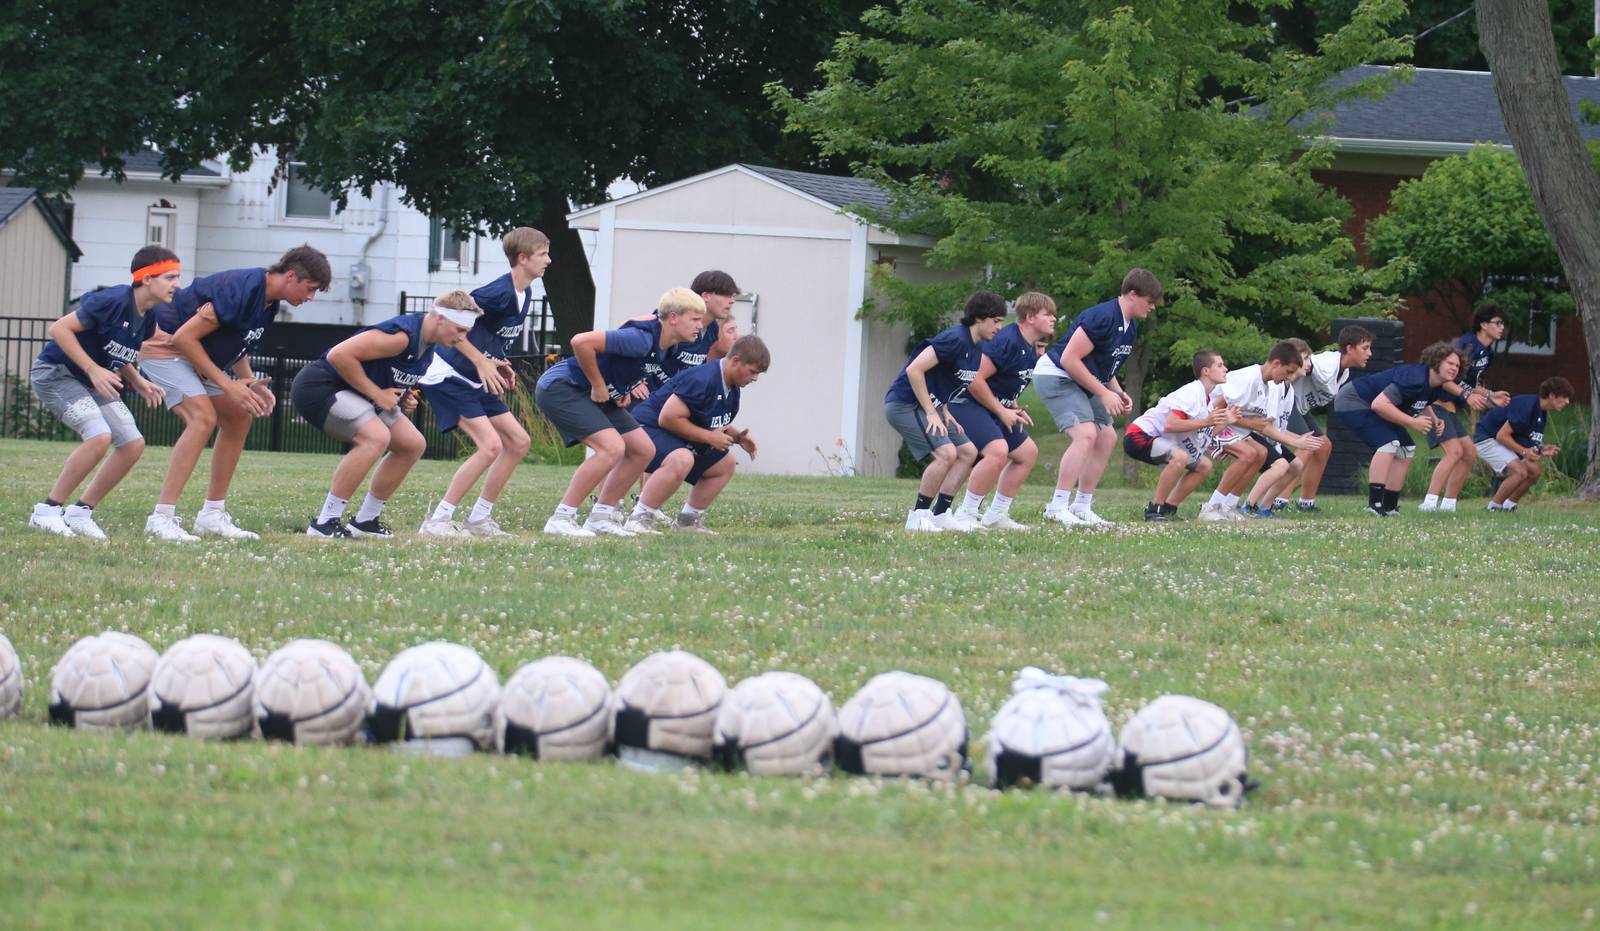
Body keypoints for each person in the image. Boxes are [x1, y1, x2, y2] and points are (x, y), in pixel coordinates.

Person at [140, 245, 329, 541]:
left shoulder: (269, 302)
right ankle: (161, 517)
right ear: (291, 276)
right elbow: (184, 337)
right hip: (164, 345)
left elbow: (237, 343)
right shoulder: (243, 288)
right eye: (311, 288)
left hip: (193, 353)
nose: (310, 297)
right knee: (202, 419)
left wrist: (248, 383)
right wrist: (228, 385)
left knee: (240, 415)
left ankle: (212, 516)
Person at [292, 291, 480, 538]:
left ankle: (365, 521)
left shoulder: (429, 348)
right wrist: (377, 394)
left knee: (412, 444)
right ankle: (325, 522)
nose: (462, 337)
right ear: (440, 318)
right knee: (376, 437)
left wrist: (402, 397)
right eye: (460, 329)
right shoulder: (402, 337)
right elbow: (338, 355)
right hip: (321, 387)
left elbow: (384, 376)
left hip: (355, 393)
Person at [26, 246, 178, 538]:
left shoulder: (147, 319)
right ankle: (46, 511)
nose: (177, 285)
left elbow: (117, 351)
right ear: (147, 278)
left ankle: (80, 513)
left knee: (132, 443)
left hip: (93, 380)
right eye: (170, 277)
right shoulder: (113, 301)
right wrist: (93, 369)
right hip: (58, 374)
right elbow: (58, 329)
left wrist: (138, 380)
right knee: (99, 436)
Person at [535, 287, 706, 537]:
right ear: (673, 318)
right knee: (611, 448)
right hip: (562, 386)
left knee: (643, 450)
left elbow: (620, 363)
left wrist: (621, 388)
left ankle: (601, 517)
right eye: (695, 319)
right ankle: (561, 517)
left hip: (593, 392)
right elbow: (580, 342)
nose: (700, 326)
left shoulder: (668, 345)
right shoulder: (641, 338)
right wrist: (598, 385)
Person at [416, 228, 550, 537]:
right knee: (490, 446)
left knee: (519, 442)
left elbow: (489, 335)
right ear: (522, 258)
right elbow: (451, 323)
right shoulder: (498, 293)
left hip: (475, 378)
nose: (549, 260)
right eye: (543, 254)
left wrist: (498, 361)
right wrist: (479, 361)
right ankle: (437, 521)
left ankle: (478, 520)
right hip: (448, 375)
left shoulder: (525, 293)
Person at [1035, 269, 1161, 526]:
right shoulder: (1102, 316)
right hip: (1056, 375)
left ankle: (1082, 506)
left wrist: (1117, 391)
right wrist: (1103, 393)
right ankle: (1057, 506)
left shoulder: (1130, 327)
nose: (1153, 307)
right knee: (1085, 434)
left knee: (1106, 437)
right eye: (1149, 301)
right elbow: (1070, 359)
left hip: (1080, 380)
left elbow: (1104, 367)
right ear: (1132, 294)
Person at [883, 291, 1007, 532]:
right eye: (996, 321)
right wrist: (932, 412)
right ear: (979, 318)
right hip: (905, 404)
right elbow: (915, 370)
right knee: (946, 454)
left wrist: (945, 409)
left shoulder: (976, 346)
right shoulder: (955, 339)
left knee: (968, 452)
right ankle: (918, 516)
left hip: (930, 406)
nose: (999, 327)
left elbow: (945, 377)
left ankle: (940, 514)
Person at [624, 335, 769, 534]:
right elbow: (668, 418)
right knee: (681, 459)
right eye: (753, 371)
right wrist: (709, 437)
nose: (755, 378)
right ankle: (639, 518)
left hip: (671, 432)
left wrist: (736, 436)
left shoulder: (732, 386)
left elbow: (706, 417)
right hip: (645, 428)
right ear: (736, 360)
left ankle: (687, 522)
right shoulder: (703, 379)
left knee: (724, 464)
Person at [951, 291, 1056, 531]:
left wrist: (1013, 407)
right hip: (966, 403)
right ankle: (966, 513)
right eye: (1047, 314)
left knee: (1027, 453)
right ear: (1030, 317)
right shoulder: (1007, 340)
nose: (1053, 319)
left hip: (993, 407)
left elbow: (1005, 380)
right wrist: (1001, 410)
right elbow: (975, 379)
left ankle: (996, 515)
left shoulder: (1031, 347)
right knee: (998, 451)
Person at [1334, 341, 1461, 516]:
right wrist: (1412, 422)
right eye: (1450, 363)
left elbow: (1421, 399)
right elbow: (1379, 404)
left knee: (1406, 449)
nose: (1454, 368)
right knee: (1388, 444)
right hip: (1354, 400)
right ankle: (1374, 505)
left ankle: (1389, 507)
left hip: (1372, 404)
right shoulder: (1415, 377)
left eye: (1457, 365)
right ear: (1436, 361)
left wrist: (1434, 418)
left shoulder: (1435, 384)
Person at [1202, 342, 1319, 520]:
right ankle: (1212, 507)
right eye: (1288, 371)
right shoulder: (1249, 378)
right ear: (1276, 363)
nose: (1289, 377)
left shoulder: (1268, 385)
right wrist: (1213, 437)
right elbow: (1217, 406)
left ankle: (1228, 506)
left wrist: (1295, 440)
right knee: (1248, 454)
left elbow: (1262, 424)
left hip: (1235, 426)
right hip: (1212, 422)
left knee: (1261, 453)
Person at [1123, 350, 1236, 522]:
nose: (1225, 369)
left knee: (1204, 465)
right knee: (1180, 457)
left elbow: (1202, 435)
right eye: (1220, 365)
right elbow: (1171, 425)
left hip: (1157, 439)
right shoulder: (1192, 392)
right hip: (1138, 435)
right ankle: (1155, 509)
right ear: (1206, 371)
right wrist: (1207, 421)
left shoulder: (1205, 399)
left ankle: (1168, 509)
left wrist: (1225, 422)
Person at [1420, 305, 1512, 512]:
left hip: (1451, 408)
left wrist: (1490, 395)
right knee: (1454, 452)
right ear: (1483, 325)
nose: (1502, 327)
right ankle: (1429, 503)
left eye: (1503, 324)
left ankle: (1448, 506)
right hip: (1434, 405)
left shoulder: (1487, 353)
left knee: (1469, 453)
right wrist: (1467, 395)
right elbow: (1444, 378)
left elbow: (1468, 383)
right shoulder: (1465, 345)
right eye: (1498, 323)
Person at [1282, 326, 1373, 511]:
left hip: (1300, 408)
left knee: (1323, 446)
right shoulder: (1326, 364)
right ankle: (1277, 500)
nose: (1369, 353)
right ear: (1349, 348)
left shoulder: (1344, 372)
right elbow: (1298, 363)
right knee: (1308, 444)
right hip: (1286, 404)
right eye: (1365, 348)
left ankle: (1306, 503)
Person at [1475, 377, 1572, 512]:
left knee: (1534, 472)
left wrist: (1541, 449)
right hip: (1486, 439)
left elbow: (1524, 437)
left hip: (1500, 440)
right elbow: (1501, 436)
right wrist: (1525, 452)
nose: (1567, 401)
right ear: (1551, 396)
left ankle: (1509, 505)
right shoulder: (1527, 406)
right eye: (1564, 397)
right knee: (1519, 472)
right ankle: (1493, 508)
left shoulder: (1541, 411)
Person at [640, 270, 740, 392]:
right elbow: (632, 333)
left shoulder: (712, 329)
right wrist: (633, 380)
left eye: (732, 296)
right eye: (726, 295)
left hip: (672, 397)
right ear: (706, 296)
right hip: (646, 395)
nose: (732, 300)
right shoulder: (677, 317)